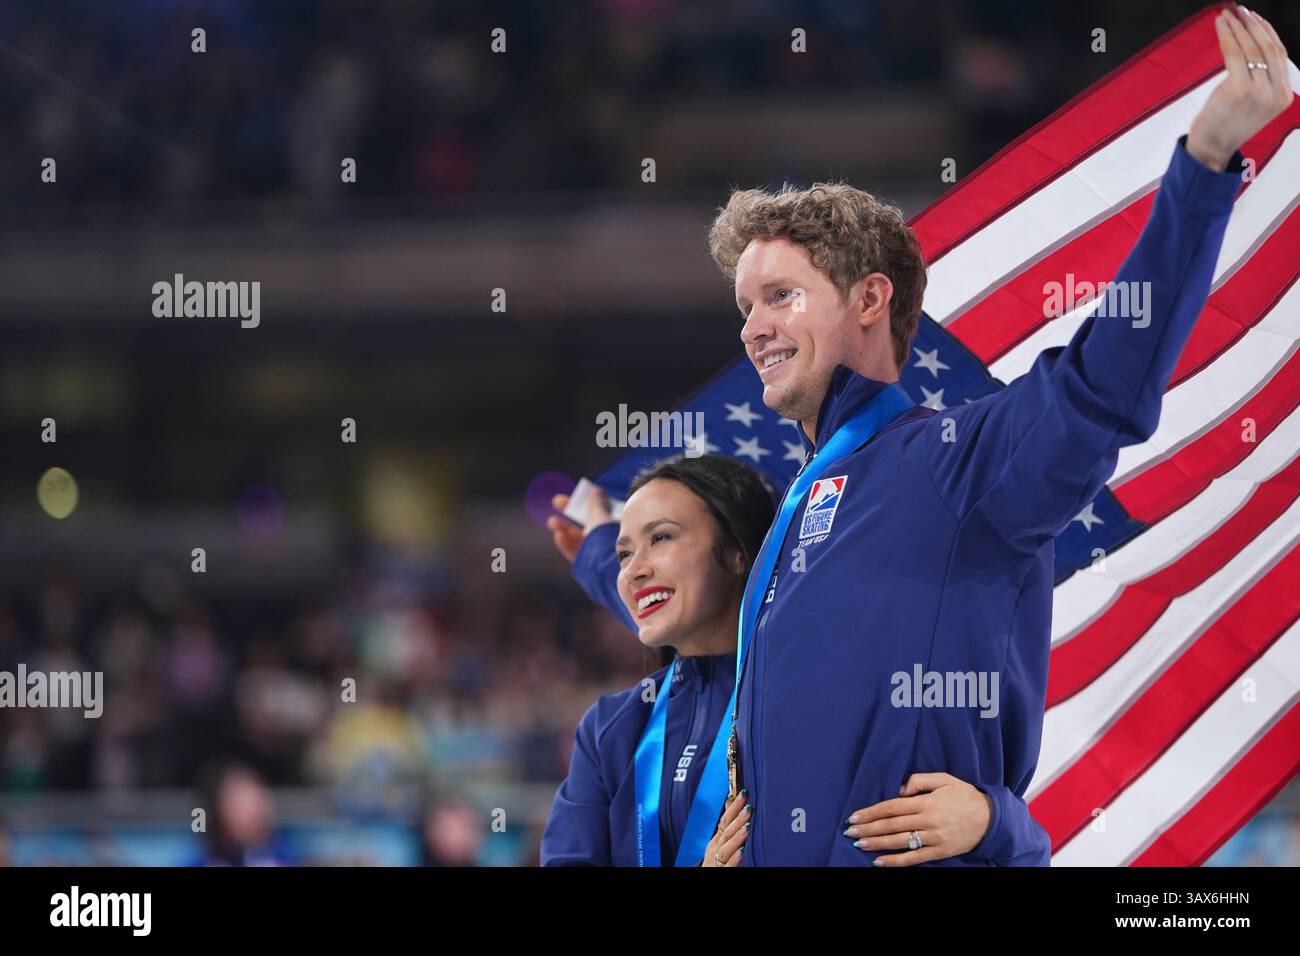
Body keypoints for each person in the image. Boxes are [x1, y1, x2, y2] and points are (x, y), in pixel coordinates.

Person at [552, 7, 1291, 865]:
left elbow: (1102, 386)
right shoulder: (798, 519)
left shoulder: (954, 461)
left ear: (869, 300)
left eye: (782, 296)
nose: (753, 328)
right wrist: (597, 546)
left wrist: (1203, 170)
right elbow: (703, 601)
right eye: (746, 306)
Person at [541, 454, 1047, 865]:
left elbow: (1022, 845)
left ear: (739, 554)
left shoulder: (826, 696)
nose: (631, 571)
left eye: (662, 537)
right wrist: (595, 553)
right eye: (624, 553)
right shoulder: (612, 730)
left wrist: (991, 820)